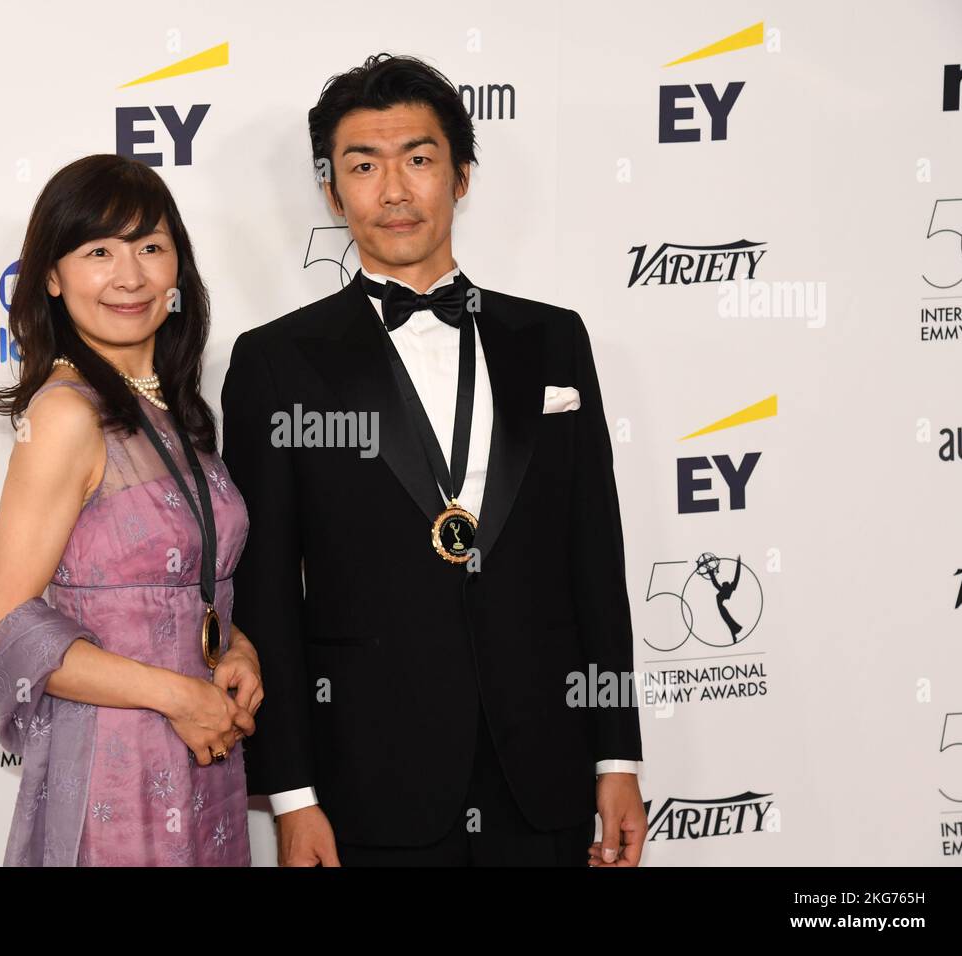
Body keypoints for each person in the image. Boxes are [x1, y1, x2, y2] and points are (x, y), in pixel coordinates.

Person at [221, 54, 647, 866]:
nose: (392, 190)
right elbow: (267, 586)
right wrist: (293, 796)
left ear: (461, 176)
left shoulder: (554, 340)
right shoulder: (278, 361)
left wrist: (617, 756)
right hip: (368, 782)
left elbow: (596, 556)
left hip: (545, 770)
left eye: (418, 159)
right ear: (330, 189)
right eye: (363, 165)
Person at [0, 154, 261, 866]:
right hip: (115, 768)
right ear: (50, 276)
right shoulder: (67, 414)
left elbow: (172, 588)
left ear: (178, 271)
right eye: (98, 251)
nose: (129, 276)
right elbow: (2, 629)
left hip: (202, 752)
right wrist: (175, 695)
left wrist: (237, 648)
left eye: (150, 248)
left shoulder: (174, 407)